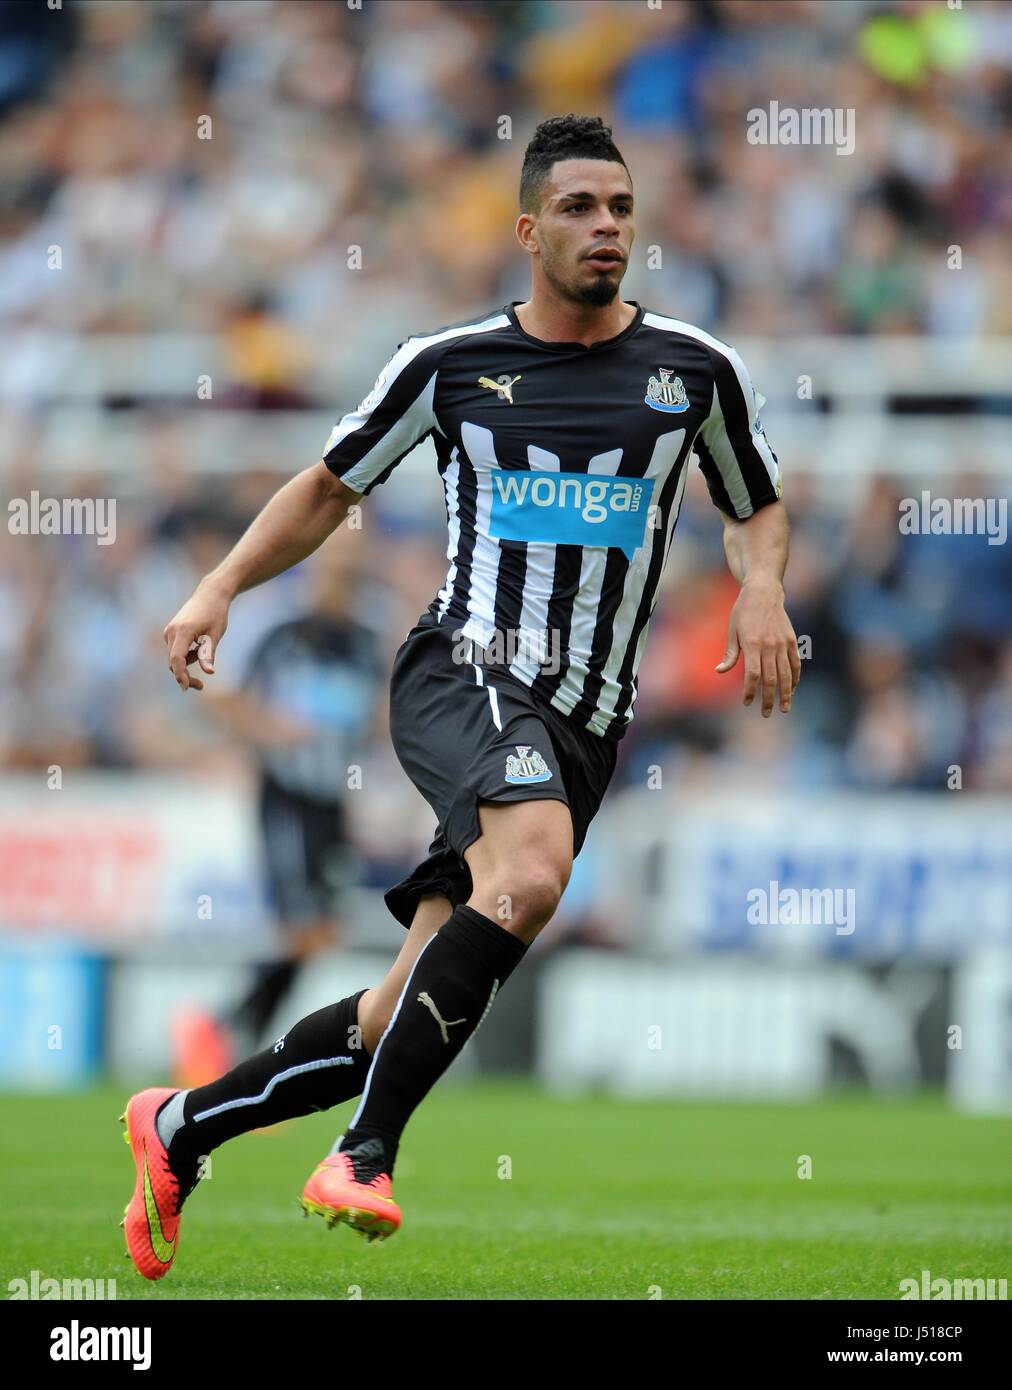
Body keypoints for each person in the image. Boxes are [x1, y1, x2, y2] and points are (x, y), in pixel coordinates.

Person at [120, 114, 800, 1280]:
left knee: (396, 1012)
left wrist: (761, 592)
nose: (606, 229)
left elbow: (754, 503)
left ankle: (181, 1128)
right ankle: (363, 1154)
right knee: (530, 875)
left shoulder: (693, 371)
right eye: (582, 210)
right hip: (467, 671)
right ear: (528, 228)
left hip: (585, 722)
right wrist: (219, 586)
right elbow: (327, 489)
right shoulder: (446, 368)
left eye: (622, 209)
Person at [170, 535, 382, 1088]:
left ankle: (224, 1036)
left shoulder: (366, 639)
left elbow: (375, 714)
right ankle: (226, 1038)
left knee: (324, 930)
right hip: (286, 796)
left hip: (333, 799)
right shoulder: (279, 628)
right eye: (331, 566)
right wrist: (271, 729)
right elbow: (220, 694)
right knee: (300, 931)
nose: (339, 577)